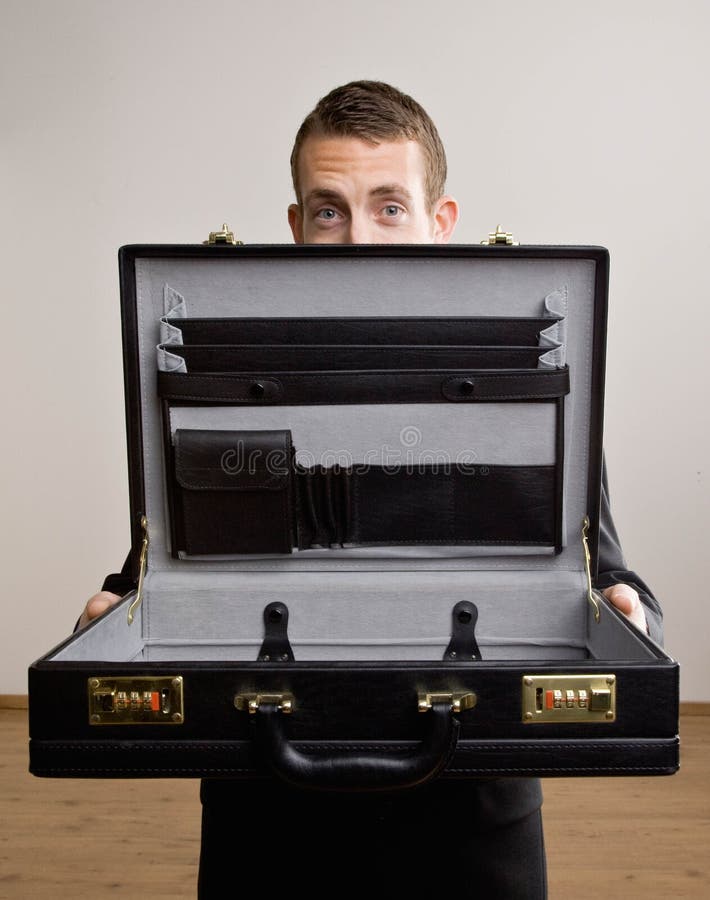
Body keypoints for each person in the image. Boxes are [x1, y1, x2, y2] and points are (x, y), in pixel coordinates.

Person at [78, 81, 663, 897]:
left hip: (473, 825)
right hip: (266, 819)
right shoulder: (236, 353)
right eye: (328, 209)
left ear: (441, 222)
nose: (356, 233)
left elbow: (605, 574)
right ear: (294, 226)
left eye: (389, 205)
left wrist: (627, 605)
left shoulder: (532, 389)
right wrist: (116, 603)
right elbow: (177, 558)